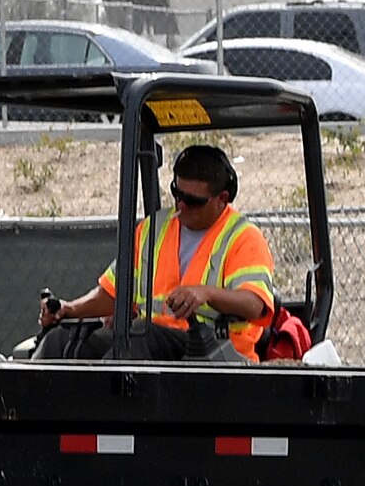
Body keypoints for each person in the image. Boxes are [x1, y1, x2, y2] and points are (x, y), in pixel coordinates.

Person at [38, 143, 279, 362]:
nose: (181, 205)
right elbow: (114, 293)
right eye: (177, 193)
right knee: (62, 341)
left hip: (215, 351)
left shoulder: (243, 237)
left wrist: (207, 293)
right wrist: (70, 309)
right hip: (150, 339)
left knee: (139, 338)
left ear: (222, 198)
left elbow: (254, 304)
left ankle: (99, 405)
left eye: (192, 200)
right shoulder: (153, 229)